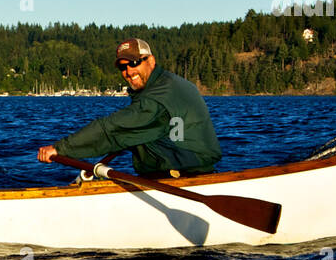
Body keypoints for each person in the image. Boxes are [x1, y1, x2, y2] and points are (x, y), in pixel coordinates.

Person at [36, 38, 221, 177]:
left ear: (151, 61)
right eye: (123, 67)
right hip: (181, 164)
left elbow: (111, 129)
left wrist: (59, 148)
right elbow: (143, 130)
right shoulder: (164, 83)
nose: (129, 72)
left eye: (134, 63)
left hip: (187, 174)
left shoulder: (158, 97)